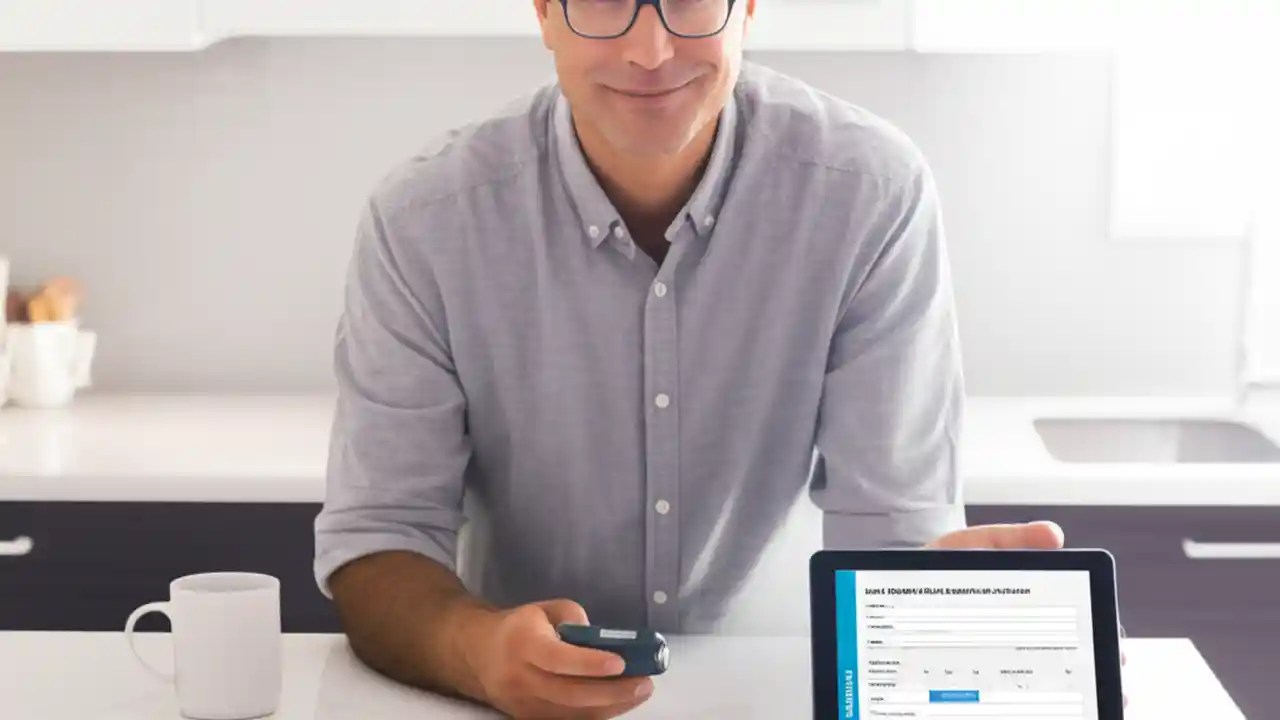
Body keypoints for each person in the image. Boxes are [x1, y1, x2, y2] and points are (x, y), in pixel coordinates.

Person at [313, 1, 1069, 717]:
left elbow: (893, 535)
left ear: (747, 6)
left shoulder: (872, 195)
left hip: (786, 692)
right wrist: (474, 650)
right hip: (511, 711)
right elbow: (382, 539)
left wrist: (970, 636)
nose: (651, 50)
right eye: (607, 2)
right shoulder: (424, 221)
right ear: (544, 10)